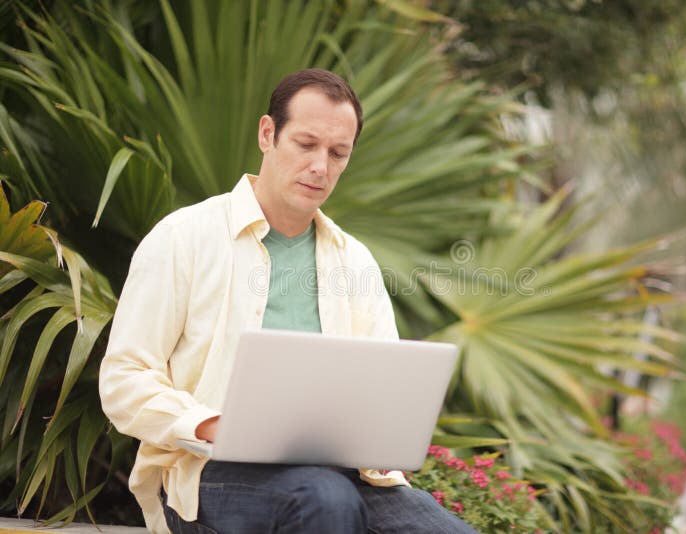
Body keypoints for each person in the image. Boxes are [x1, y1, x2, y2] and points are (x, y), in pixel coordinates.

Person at [98, 69, 477, 534]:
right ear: (267, 134)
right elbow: (123, 380)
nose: (321, 166)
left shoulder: (355, 262)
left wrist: (383, 436)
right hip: (206, 476)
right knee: (324, 500)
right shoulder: (184, 238)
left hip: (343, 478)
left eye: (338, 153)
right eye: (306, 144)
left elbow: (382, 391)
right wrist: (212, 424)